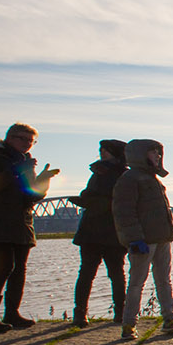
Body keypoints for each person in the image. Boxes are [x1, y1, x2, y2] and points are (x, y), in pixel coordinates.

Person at [0, 123, 59, 334]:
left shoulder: (24, 162)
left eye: (31, 141)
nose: (28, 144)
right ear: (9, 138)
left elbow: (31, 196)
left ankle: (12, 314)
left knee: (19, 270)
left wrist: (43, 181)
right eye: (23, 139)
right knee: (4, 267)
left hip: (21, 222)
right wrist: (17, 170)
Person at [113, 138, 173, 339]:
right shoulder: (130, 179)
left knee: (164, 281)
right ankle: (129, 324)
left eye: (159, 153)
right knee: (136, 282)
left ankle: (169, 318)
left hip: (162, 238)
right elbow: (124, 212)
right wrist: (134, 238)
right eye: (153, 152)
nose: (157, 156)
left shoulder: (152, 179)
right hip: (143, 241)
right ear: (140, 155)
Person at [70, 139, 128, 327]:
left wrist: (87, 199)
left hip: (105, 230)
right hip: (100, 231)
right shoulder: (108, 173)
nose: (102, 152)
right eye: (101, 150)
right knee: (97, 272)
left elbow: (113, 200)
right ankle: (86, 312)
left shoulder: (107, 173)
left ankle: (116, 311)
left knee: (107, 273)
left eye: (107, 150)